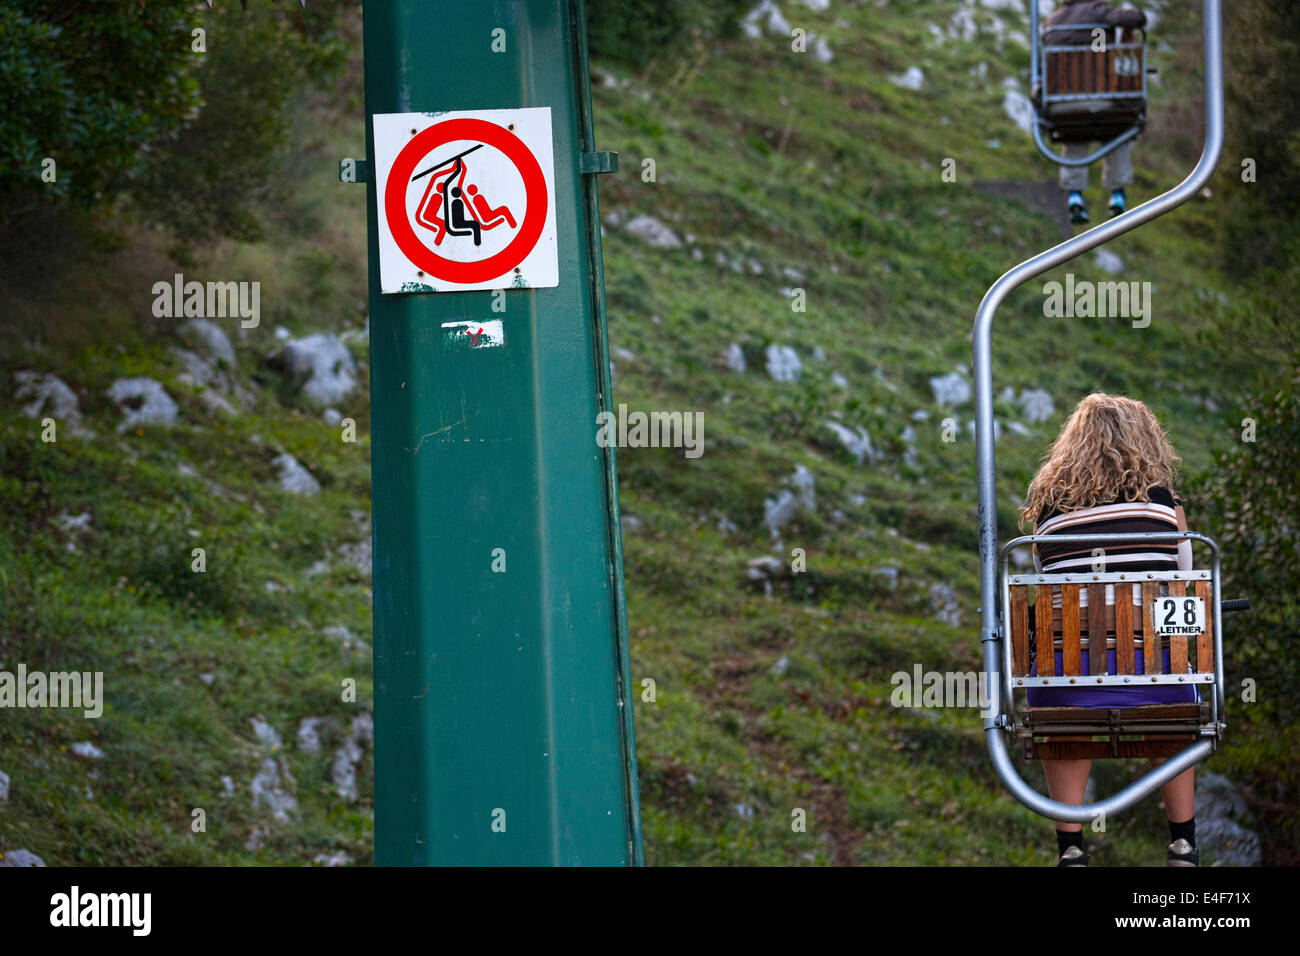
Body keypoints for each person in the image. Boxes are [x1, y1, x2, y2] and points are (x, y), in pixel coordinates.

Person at [1019, 394, 1199, 868]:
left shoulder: (1049, 515)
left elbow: (1047, 583)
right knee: (1177, 675)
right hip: (1156, 687)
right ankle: (1182, 841)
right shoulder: (1164, 507)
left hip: (1064, 690)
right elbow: (1181, 587)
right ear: (1146, 442)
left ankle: (1072, 847)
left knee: (1065, 679)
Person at [1043, 0, 1149, 224]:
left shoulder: (1053, 21)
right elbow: (1136, 19)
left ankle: (1075, 197)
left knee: (1073, 134)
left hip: (1061, 103)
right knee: (1117, 133)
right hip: (1100, 100)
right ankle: (1117, 195)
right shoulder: (1098, 11)